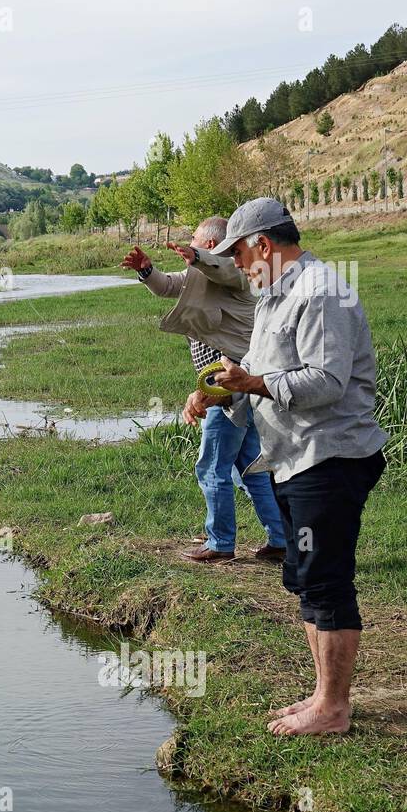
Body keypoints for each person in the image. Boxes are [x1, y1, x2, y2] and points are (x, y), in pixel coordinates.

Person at [184, 197, 388, 737]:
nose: (237, 266)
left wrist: (252, 384)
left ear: (264, 245)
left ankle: (334, 709)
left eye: (240, 255)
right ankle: (323, 693)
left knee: (326, 581)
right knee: (304, 579)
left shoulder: (323, 293)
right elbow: (257, 366)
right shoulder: (275, 295)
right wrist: (217, 391)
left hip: (331, 457)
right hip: (293, 458)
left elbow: (326, 381)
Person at [122, 217, 285, 564]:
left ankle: (220, 543)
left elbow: (224, 270)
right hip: (237, 381)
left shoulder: (236, 273)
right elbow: (169, 286)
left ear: (210, 245)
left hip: (227, 382)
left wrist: (196, 258)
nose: (189, 243)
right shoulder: (200, 274)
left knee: (211, 466)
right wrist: (147, 271)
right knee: (250, 467)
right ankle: (282, 538)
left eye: (194, 239)